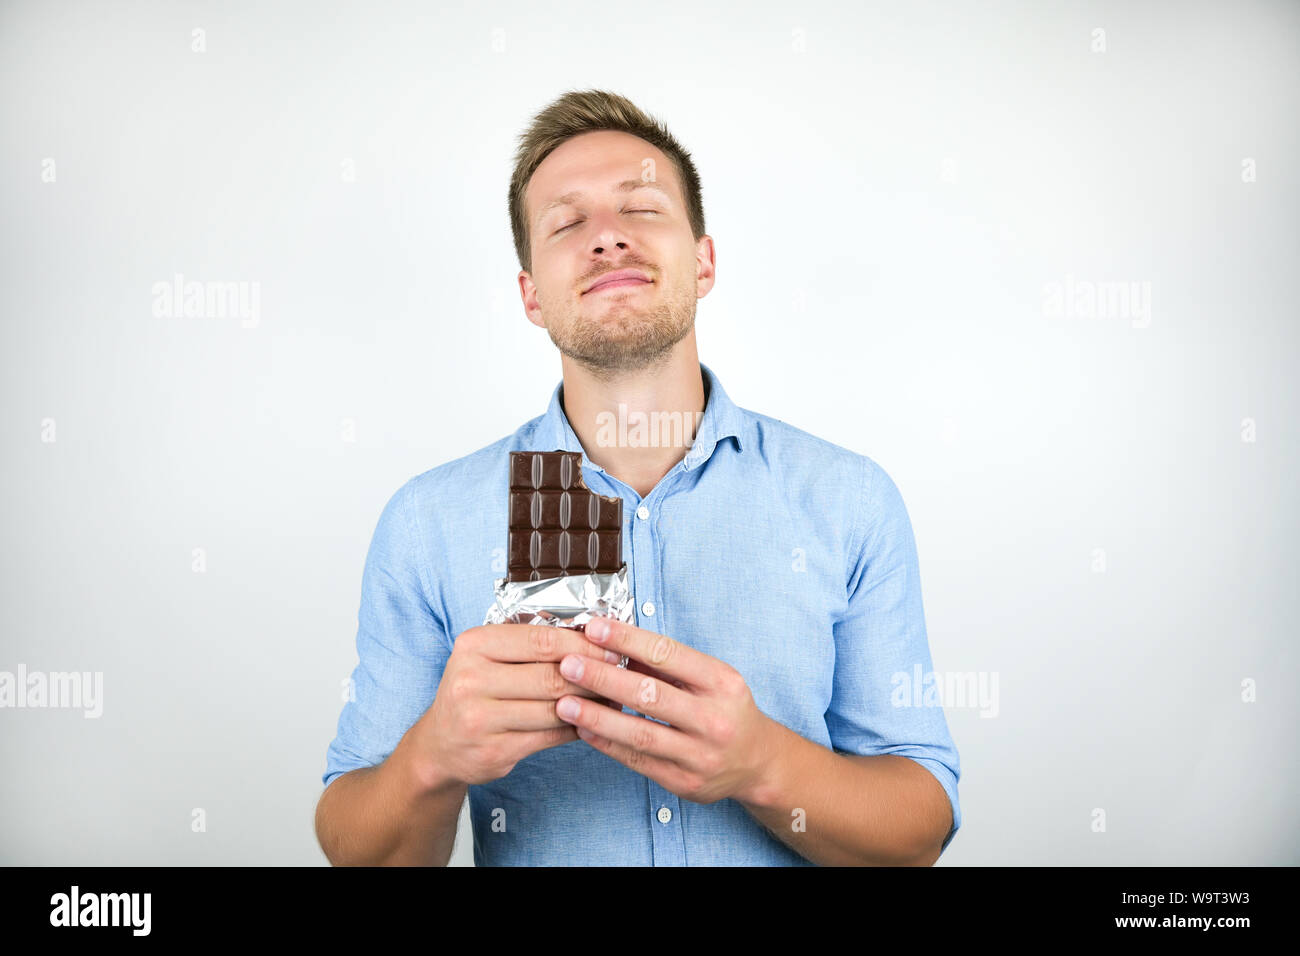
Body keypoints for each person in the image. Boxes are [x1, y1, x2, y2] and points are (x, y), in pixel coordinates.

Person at [315, 89, 961, 866]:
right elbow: (358, 850)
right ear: (530, 296)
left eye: (642, 209)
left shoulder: (849, 501)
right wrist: (433, 758)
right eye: (566, 222)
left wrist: (763, 764)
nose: (608, 238)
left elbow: (919, 832)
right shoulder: (427, 523)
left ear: (704, 260)